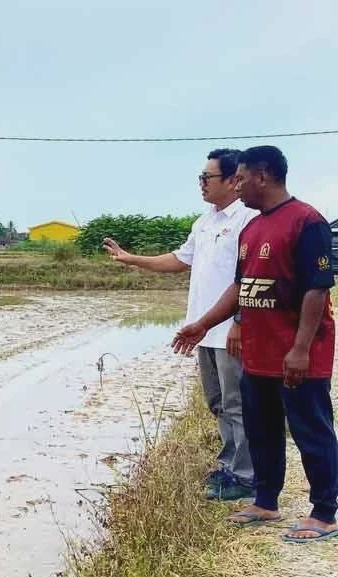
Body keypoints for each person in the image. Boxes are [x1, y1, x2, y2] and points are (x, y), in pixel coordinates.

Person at [173, 145, 338, 543]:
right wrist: (202, 324)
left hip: (297, 355)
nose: (238, 185)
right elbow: (241, 287)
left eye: (242, 178)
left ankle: (325, 512)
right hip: (257, 355)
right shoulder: (252, 228)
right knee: (262, 431)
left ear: (262, 176)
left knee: (311, 430)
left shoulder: (306, 221)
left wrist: (300, 349)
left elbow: (317, 291)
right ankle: (266, 501)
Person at [103, 149, 259, 500]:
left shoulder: (248, 220)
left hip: (231, 330)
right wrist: (132, 259)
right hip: (203, 329)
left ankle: (247, 476)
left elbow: (252, 277)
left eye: (208, 177)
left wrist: (240, 320)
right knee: (218, 403)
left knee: (238, 404)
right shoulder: (204, 222)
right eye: (200, 178)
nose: (201, 184)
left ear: (234, 181)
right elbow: (179, 259)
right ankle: (230, 467)